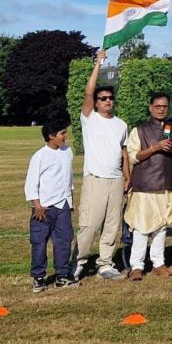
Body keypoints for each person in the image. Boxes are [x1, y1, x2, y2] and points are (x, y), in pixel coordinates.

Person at [76, 49, 128, 280]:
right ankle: (78, 262)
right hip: (95, 179)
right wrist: (99, 63)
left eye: (110, 98)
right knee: (89, 224)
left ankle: (105, 264)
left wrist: (128, 178)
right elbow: (88, 91)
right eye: (103, 98)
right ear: (95, 103)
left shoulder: (121, 125)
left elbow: (124, 153)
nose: (108, 101)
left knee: (111, 225)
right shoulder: (89, 118)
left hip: (116, 180)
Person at [125, 92, 172, 280]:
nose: (161, 109)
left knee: (161, 226)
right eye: (158, 106)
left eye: (165, 106)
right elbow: (133, 156)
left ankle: (158, 263)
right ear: (150, 107)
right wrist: (155, 147)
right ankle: (136, 266)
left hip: (167, 184)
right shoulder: (139, 130)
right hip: (144, 184)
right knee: (141, 226)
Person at [26, 119, 78, 292]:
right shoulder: (39, 156)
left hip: (63, 205)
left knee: (64, 241)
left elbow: (68, 179)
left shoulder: (67, 151)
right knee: (39, 242)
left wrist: (70, 201)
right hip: (44, 207)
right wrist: (37, 205)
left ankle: (62, 276)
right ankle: (38, 277)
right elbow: (31, 183)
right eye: (62, 133)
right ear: (51, 136)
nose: (65, 136)